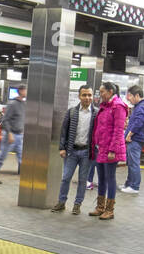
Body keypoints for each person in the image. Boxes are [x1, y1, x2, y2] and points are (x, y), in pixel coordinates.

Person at [51, 85, 98, 214]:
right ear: (79, 96)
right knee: (65, 178)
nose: (87, 98)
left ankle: (77, 205)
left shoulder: (96, 113)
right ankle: (61, 202)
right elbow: (64, 131)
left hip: (87, 152)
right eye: (84, 95)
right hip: (71, 151)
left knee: (83, 180)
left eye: (89, 95)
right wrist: (62, 148)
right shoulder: (71, 112)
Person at [88, 83, 126, 220]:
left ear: (110, 92)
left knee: (110, 178)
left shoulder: (118, 106)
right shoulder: (105, 106)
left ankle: (110, 210)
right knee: (101, 178)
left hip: (110, 150)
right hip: (101, 148)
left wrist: (113, 150)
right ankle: (100, 207)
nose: (100, 94)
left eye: (102, 91)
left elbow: (118, 130)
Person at [0, 84, 26, 183]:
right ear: (21, 91)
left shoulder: (23, 104)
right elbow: (5, 120)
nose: (26, 92)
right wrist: (9, 133)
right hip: (10, 135)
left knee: (22, 157)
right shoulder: (12, 104)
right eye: (25, 90)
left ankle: (26, 178)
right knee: (2, 156)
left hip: (19, 135)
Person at [122, 84, 144, 195]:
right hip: (135, 139)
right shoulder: (141, 106)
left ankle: (134, 186)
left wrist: (129, 134)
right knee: (131, 162)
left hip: (135, 139)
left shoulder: (142, 107)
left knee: (134, 163)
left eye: (130, 97)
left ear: (137, 95)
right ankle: (128, 184)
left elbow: (139, 122)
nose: (130, 100)